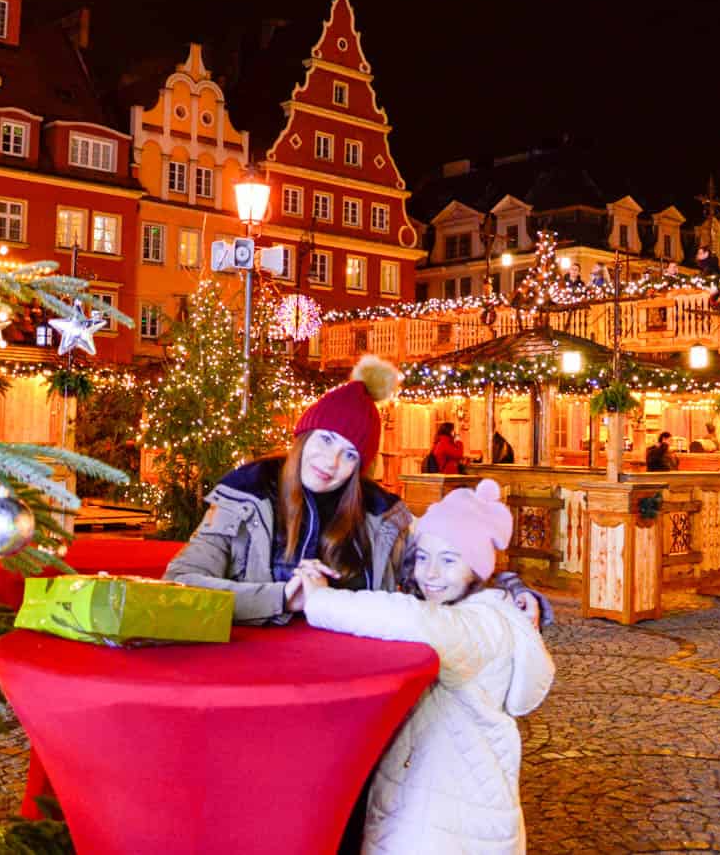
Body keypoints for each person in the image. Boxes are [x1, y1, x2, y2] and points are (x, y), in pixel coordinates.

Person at [164, 356, 546, 626]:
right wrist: (282, 597)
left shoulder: (381, 516)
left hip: (353, 675)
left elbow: (446, 565)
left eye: (349, 453)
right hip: (252, 675)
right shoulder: (245, 497)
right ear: (304, 435)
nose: (331, 462)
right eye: (326, 440)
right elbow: (182, 583)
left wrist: (513, 592)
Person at [298, 480, 556, 855]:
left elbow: (415, 620)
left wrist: (319, 599)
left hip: (447, 818)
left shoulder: (479, 625)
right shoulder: (465, 610)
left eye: (449, 560)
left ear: (479, 567)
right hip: (436, 797)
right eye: (423, 557)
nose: (431, 573)